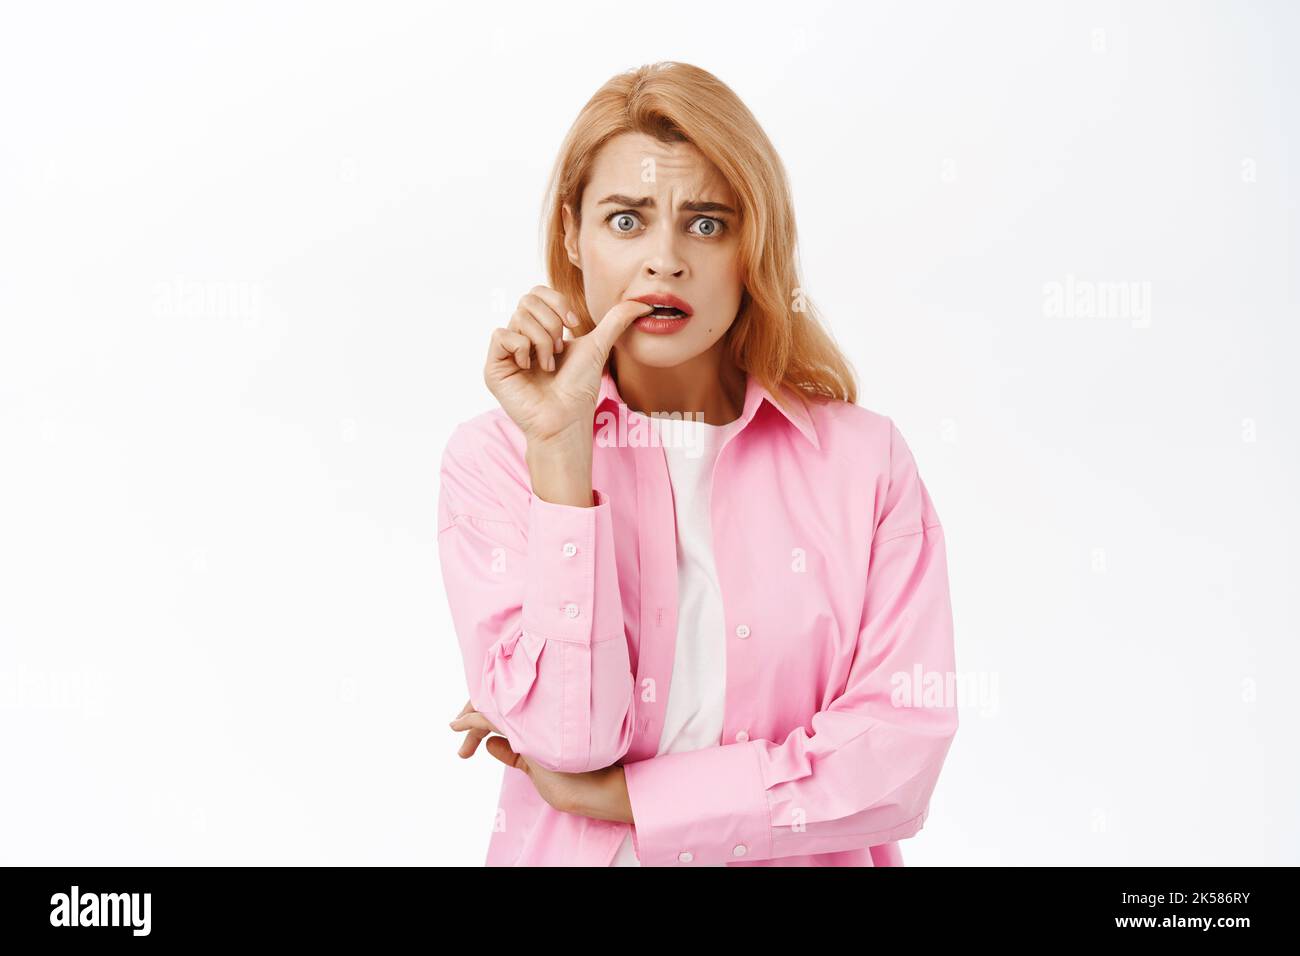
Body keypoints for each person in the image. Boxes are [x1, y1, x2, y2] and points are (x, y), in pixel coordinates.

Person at [437, 61, 958, 866]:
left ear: (755, 245)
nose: (666, 260)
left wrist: (629, 800)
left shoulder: (864, 463)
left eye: (707, 223)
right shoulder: (497, 458)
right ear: (572, 234)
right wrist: (560, 461)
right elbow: (568, 741)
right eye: (626, 220)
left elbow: (894, 765)